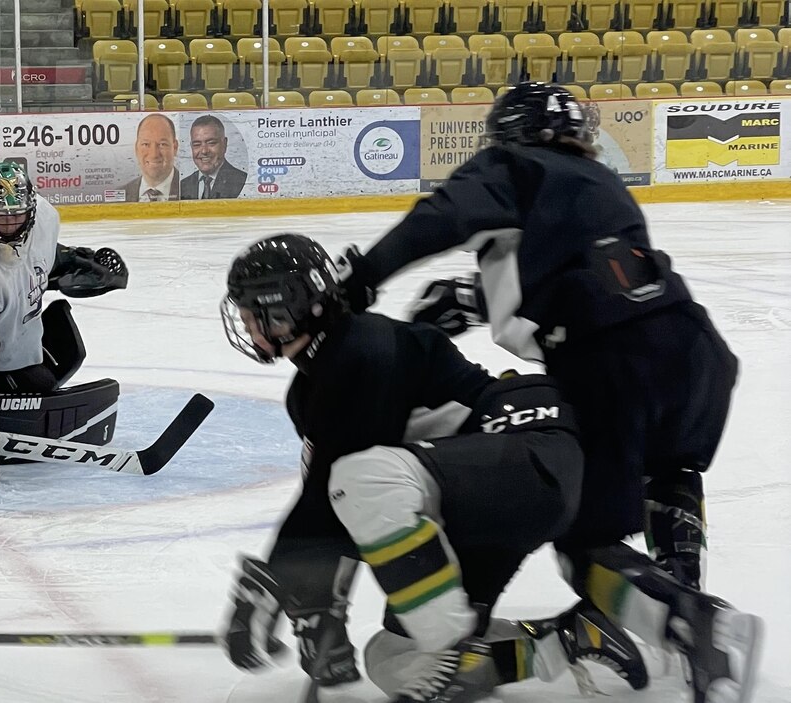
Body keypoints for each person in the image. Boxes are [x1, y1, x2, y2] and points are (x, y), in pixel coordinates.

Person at [337, 81, 762, 702]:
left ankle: (691, 623)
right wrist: (474, 298)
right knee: (670, 468)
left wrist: (364, 277)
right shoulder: (602, 182)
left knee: (582, 538)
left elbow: (446, 215)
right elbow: (580, 262)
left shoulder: (514, 163)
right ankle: (683, 614)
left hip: (614, 361)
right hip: (698, 353)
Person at [218, 233, 613, 703]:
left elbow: (337, 491)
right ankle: (568, 642)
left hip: (529, 452)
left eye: (249, 314)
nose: (246, 326)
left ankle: (450, 647)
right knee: (394, 660)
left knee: (358, 480)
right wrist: (318, 613)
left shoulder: (362, 346)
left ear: (282, 309)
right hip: (479, 512)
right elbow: (335, 514)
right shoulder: (312, 388)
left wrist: (278, 585)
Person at [0, 162, 129, 485]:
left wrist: (68, 261)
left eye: (16, 217)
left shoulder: (43, 215)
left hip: (19, 332)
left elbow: (35, 253)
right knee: (39, 383)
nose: (9, 226)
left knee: (65, 346)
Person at [180, 115, 247, 200]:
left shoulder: (242, 182)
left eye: (211, 143)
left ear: (224, 144)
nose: (204, 151)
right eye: (197, 144)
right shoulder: (182, 186)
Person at [120, 114, 179, 202]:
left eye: (162, 144)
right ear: (136, 148)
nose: (154, 154)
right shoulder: (121, 193)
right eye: (146, 144)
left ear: (175, 148)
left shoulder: (194, 189)